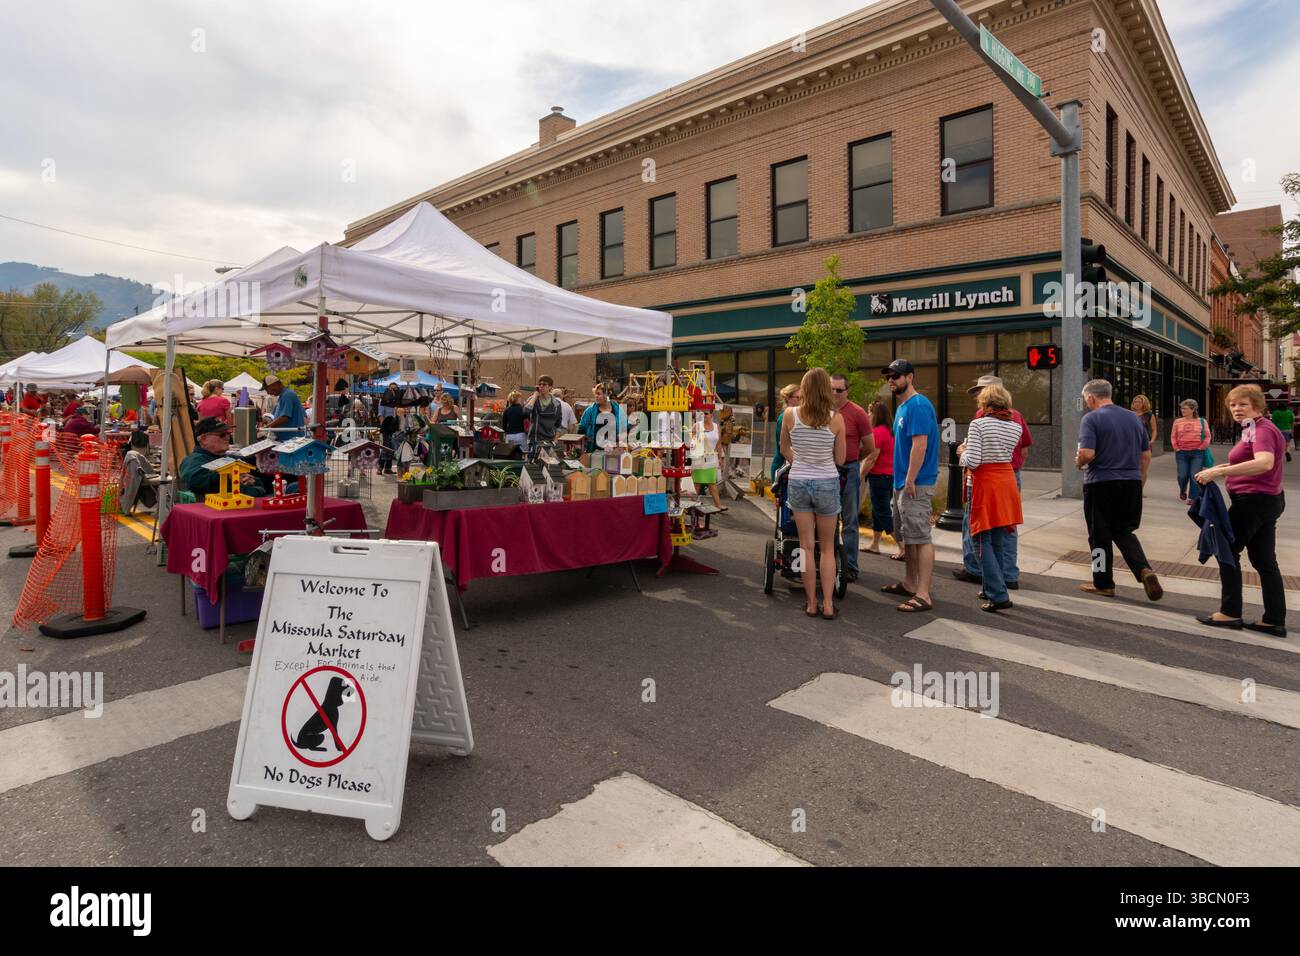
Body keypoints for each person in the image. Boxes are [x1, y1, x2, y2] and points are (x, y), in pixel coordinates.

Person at [1194, 384, 1287, 637]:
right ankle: (1274, 619)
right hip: (1267, 500)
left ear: (1257, 406)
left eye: (1243, 404)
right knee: (1264, 561)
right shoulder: (1253, 429)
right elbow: (1247, 461)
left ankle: (1230, 612)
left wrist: (1219, 471)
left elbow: (1264, 463)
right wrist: (1220, 467)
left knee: (1226, 550)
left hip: (1254, 501)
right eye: (1233, 404)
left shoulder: (1261, 430)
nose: (1236, 408)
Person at [1075, 379, 1163, 600]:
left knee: (1099, 536)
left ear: (1092, 397)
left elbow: (1087, 454)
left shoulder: (1091, 418)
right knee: (1123, 531)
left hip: (1101, 483)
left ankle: (1103, 583)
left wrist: (1078, 462)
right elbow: (1146, 454)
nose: (1087, 403)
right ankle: (1144, 569)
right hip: (1131, 482)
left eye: (1087, 399)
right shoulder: (1134, 419)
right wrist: (1141, 479)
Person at [780, 367, 846, 620]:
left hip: (799, 481)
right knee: (827, 548)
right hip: (826, 481)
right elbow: (840, 458)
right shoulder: (836, 419)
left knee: (807, 547)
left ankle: (810, 603)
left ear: (804, 389)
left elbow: (784, 448)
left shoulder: (790, 414)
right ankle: (828, 604)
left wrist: (800, 459)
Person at [955, 374, 1031, 587]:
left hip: (984, 479)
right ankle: (1008, 574)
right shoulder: (1016, 418)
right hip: (1009, 476)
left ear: (992, 393)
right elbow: (1024, 450)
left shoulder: (981, 419)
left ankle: (977, 571)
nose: (978, 395)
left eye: (981, 391)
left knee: (978, 527)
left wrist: (962, 453)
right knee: (1006, 527)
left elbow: (974, 459)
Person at [880, 359, 939, 613]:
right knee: (909, 538)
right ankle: (910, 583)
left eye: (897, 376)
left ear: (910, 377)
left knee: (921, 537)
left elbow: (920, 444)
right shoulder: (904, 407)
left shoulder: (918, 405)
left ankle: (923, 594)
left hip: (916, 483)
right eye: (889, 376)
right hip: (902, 482)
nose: (891, 380)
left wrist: (911, 479)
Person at [829, 373, 876, 583]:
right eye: (831, 389)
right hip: (825, 471)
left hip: (848, 470)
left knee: (849, 521)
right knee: (827, 520)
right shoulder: (821, 411)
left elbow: (870, 447)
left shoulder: (857, 413)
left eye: (839, 390)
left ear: (847, 391)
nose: (835, 393)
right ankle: (829, 563)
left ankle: (850, 567)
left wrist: (853, 460)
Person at [179, 417, 268, 500]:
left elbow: (259, 486)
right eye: (222, 435)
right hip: (214, 511)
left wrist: (251, 481)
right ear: (204, 438)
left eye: (228, 433)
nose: (228, 437)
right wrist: (229, 474)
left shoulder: (227, 458)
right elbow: (194, 480)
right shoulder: (193, 460)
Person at [861, 399, 899, 559]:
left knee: (882, 511)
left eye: (870, 412)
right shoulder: (891, 431)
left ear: (875, 415)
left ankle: (902, 546)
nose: (868, 416)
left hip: (879, 476)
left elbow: (871, 458)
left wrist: (861, 475)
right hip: (890, 476)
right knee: (878, 510)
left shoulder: (877, 432)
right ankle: (875, 544)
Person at [1170, 399, 1213, 503]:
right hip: (1181, 453)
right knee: (1182, 475)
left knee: (1194, 475)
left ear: (1193, 409)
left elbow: (1208, 436)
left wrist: (1201, 447)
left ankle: (1193, 497)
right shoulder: (1177, 421)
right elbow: (1173, 436)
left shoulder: (1202, 421)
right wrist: (1176, 448)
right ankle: (1182, 489)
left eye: (1185, 408)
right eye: (1181, 408)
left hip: (1197, 453)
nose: (1182, 410)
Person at [690, 408, 726, 510]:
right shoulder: (697, 425)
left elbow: (718, 444)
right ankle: (692, 504)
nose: (704, 416)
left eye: (706, 413)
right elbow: (691, 442)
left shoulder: (716, 426)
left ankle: (718, 505)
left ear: (711, 415)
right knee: (697, 482)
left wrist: (720, 458)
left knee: (712, 482)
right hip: (699, 458)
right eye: (702, 414)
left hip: (711, 458)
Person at [578, 382, 626, 452]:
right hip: (594, 451)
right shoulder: (590, 411)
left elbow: (624, 429)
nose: (596, 396)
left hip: (613, 452)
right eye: (595, 394)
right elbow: (581, 429)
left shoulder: (618, 410)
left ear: (606, 394)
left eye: (599, 394)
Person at [769, 383, 801, 481]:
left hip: (790, 466)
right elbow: (783, 447)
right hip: (782, 466)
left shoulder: (797, 416)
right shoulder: (784, 417)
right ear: (789, 398)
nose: (802, 400)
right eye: (799, 397)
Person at [523, 375, 564, 448]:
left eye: (544, 384)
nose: (541, 386)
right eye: (539, 384)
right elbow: (525, 413)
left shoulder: (556, 403)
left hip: (549, 441)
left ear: (550, 387)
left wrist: (555, 440)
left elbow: (559, 424)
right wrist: (535, 396)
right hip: (534, 440)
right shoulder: (532, 400)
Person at [262, 373, 305, 438]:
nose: (268, 393)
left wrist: (267, 427)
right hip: (287, 439)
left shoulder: (287, 395)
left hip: (292, 439)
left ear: (274, 385)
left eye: (267, 389)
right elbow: (275, 417)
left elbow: (285, 417)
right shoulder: (283, 396)